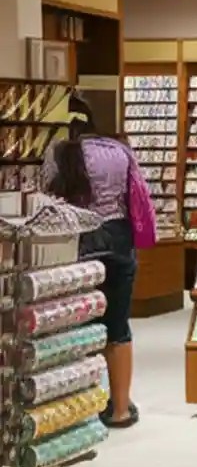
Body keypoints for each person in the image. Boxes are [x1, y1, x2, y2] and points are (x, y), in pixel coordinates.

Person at [42, 94, 148, 428]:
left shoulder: (57, 153)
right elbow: (138, 196)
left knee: (74, 325)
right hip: (117, 239)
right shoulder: (119, 151)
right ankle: (119, 409)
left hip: (75, 242)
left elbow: (46, 196)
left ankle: (80, 409)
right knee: (118, 326)